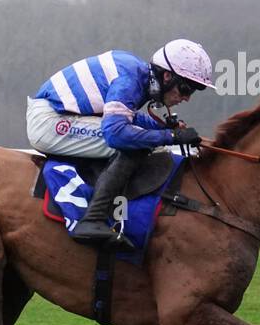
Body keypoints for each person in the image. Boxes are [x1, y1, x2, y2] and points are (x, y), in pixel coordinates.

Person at [26, 39, 215, 245]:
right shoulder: (130, 78)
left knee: (138, 137)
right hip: (51, 122)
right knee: (133, 145)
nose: (186, 98)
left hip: (57, 115)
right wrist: (170, 137)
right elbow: (116, 134)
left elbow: (129, 117)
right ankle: (92, 219)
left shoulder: (137, 73)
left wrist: (167, 127)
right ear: (168, 76)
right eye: (186, 89)